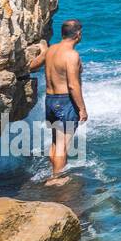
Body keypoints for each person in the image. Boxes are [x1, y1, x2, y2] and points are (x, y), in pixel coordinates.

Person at [28, 20, 86, 185]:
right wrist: (82, 109)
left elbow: (32, 66)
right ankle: (56, 179)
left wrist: (44, 51)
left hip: (50, 101)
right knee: (62, 145)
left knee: (55, 142)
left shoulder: (51, 50)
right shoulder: (72, 55)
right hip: (65, 101)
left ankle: (54, 174)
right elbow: (73, 86)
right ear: (78, 34)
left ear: (62, 34)